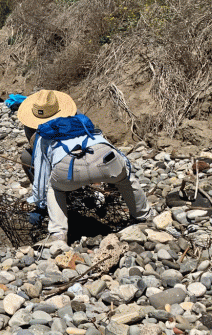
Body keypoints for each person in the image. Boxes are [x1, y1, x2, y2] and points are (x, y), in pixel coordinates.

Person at [16, 89, 156, 245]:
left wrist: (40, 202)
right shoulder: (81, 120)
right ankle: (144, 218)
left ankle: (58, 234)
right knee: (125, 177)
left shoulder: (42, 135)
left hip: (68, 168)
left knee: (53, 188)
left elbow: (42, 174)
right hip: (106, 158)